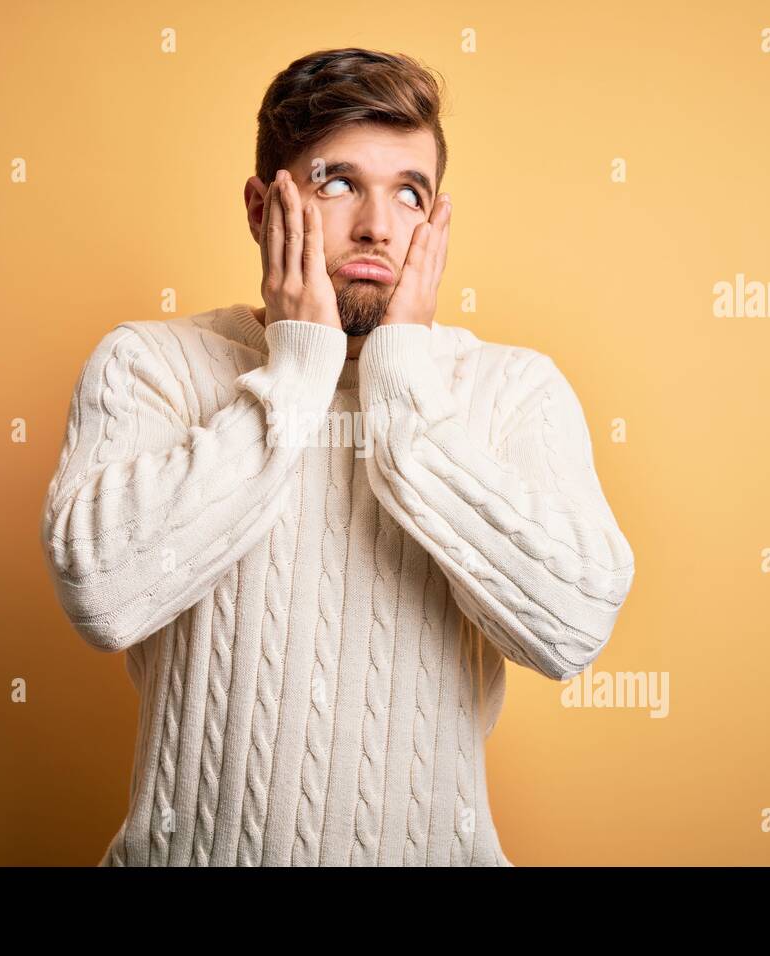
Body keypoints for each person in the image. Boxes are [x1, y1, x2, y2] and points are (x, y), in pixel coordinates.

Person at [39, 48, 635, 866]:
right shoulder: (151, 365)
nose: (377, 227)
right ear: (261, 207)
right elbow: (103, 593)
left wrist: (400, 387)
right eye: (338, 183)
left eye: (408, 193)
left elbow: (569, 628)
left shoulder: (510, 390)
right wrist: (298, 370)